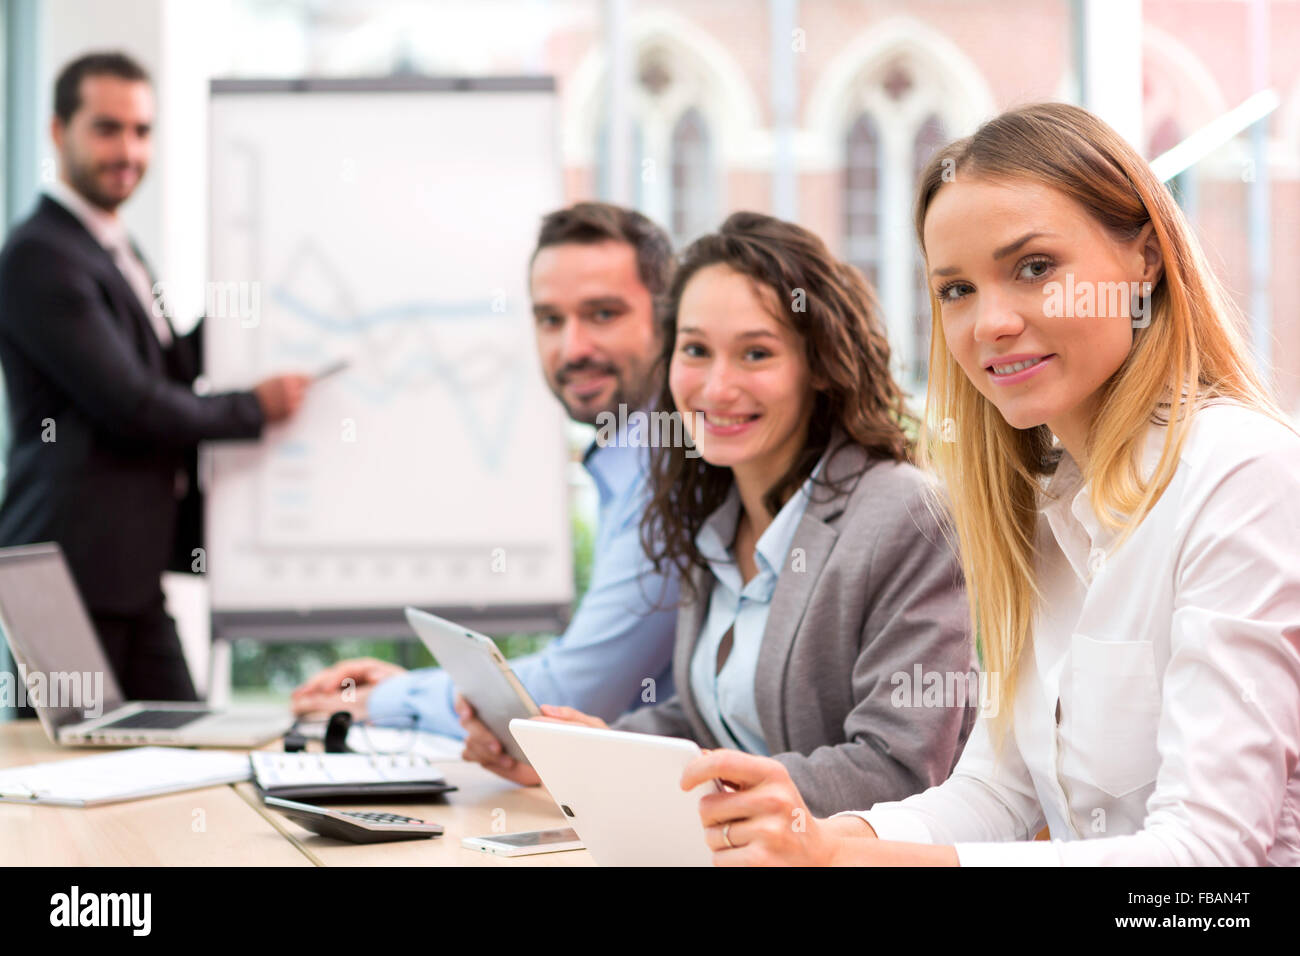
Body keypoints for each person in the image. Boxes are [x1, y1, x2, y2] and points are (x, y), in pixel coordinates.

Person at [683, 102, 1300, 865]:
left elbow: (1205, 863)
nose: (990, 323)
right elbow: (998, 792)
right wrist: (816, 837)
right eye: (956, 290)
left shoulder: (1241, 473)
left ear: (1144, 261)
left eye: (1035, 268)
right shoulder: (1042, 507)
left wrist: (843, 859)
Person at [485, 212, 977, 817]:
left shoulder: (903, 515)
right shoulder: (711, 516)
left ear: (818, 366)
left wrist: (695, 783)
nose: (716, 388)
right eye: (695, 350)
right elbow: (714, 718)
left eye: (755, 353)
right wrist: (591, 752)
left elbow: (898, 766)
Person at [291, 202, 680, 738]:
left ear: (667, 319)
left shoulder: (673, 475)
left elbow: (573, 695)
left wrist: (389, 700)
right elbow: (574, 672)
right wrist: (406, 690)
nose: (572, 348)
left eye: (603, 314)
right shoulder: (629, 461)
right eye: (550, 320)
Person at [0, 51, 310, 702]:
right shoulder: (39, 255)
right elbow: (133, 405)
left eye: (142, 131)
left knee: (182, 751)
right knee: (70, 784)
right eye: (107, 128)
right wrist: (253, 407)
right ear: (60, 132)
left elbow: (169, 366)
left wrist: (252, 298)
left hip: (127, 570)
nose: (129, 150)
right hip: (64, 573)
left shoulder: (115, 247)